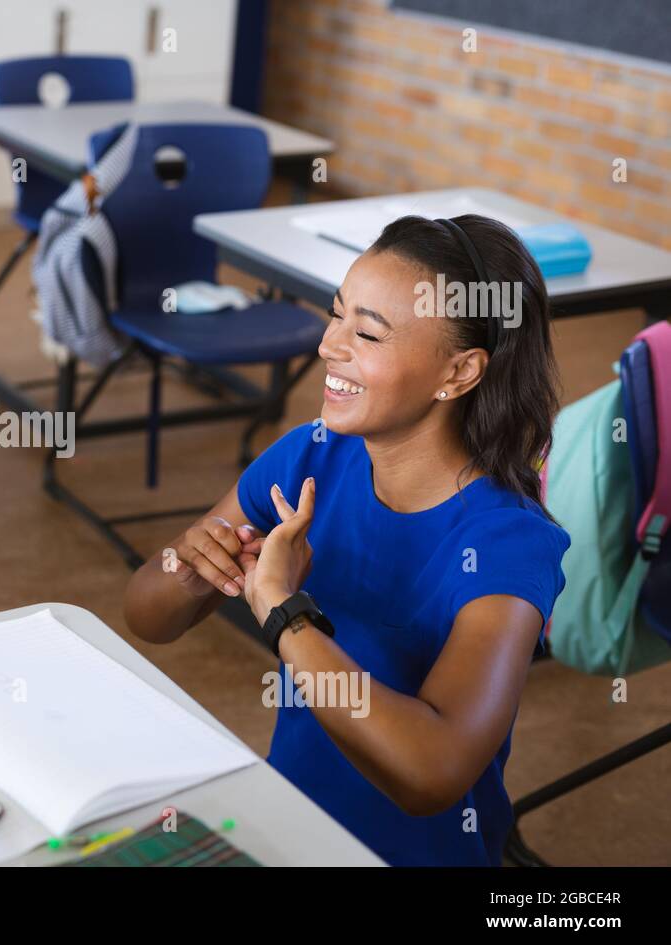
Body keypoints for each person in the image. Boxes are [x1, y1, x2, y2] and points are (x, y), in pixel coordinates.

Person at [124, 214, 570, 865]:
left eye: (366, 333)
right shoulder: (311, 456)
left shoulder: (509, 544)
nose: (329, 345)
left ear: (460, 372)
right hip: (290, 831)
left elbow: (433, 772)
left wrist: (283, 611)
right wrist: (192, 564)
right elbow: (147, 617)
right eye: (336, 316)